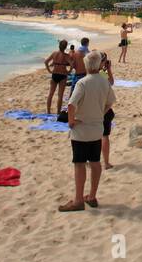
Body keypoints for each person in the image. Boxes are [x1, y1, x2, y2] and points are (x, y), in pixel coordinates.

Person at [61, 51, 116, 211]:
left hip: (81, 129)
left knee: (79, 163)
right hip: (96, 128)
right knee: (95, 162)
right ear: (99, 65)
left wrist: (71, 121)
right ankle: (92, 196)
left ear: (86, 65)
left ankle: (78, 200)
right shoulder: (104, 82)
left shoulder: (83, 83)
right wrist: (100, 114)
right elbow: (110, 102)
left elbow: (71, 105)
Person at [44, 39, 72, 115]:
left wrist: (49, 70)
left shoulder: (54, 53)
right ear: (65, 47)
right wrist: (69, 71)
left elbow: (46, 62)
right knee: (60, 95)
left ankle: (48, 111)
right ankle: (58, 112)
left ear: (59, 46)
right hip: (63, 75)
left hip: (55, 74)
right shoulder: (66, 56)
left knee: (51, 94)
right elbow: (72, 64)